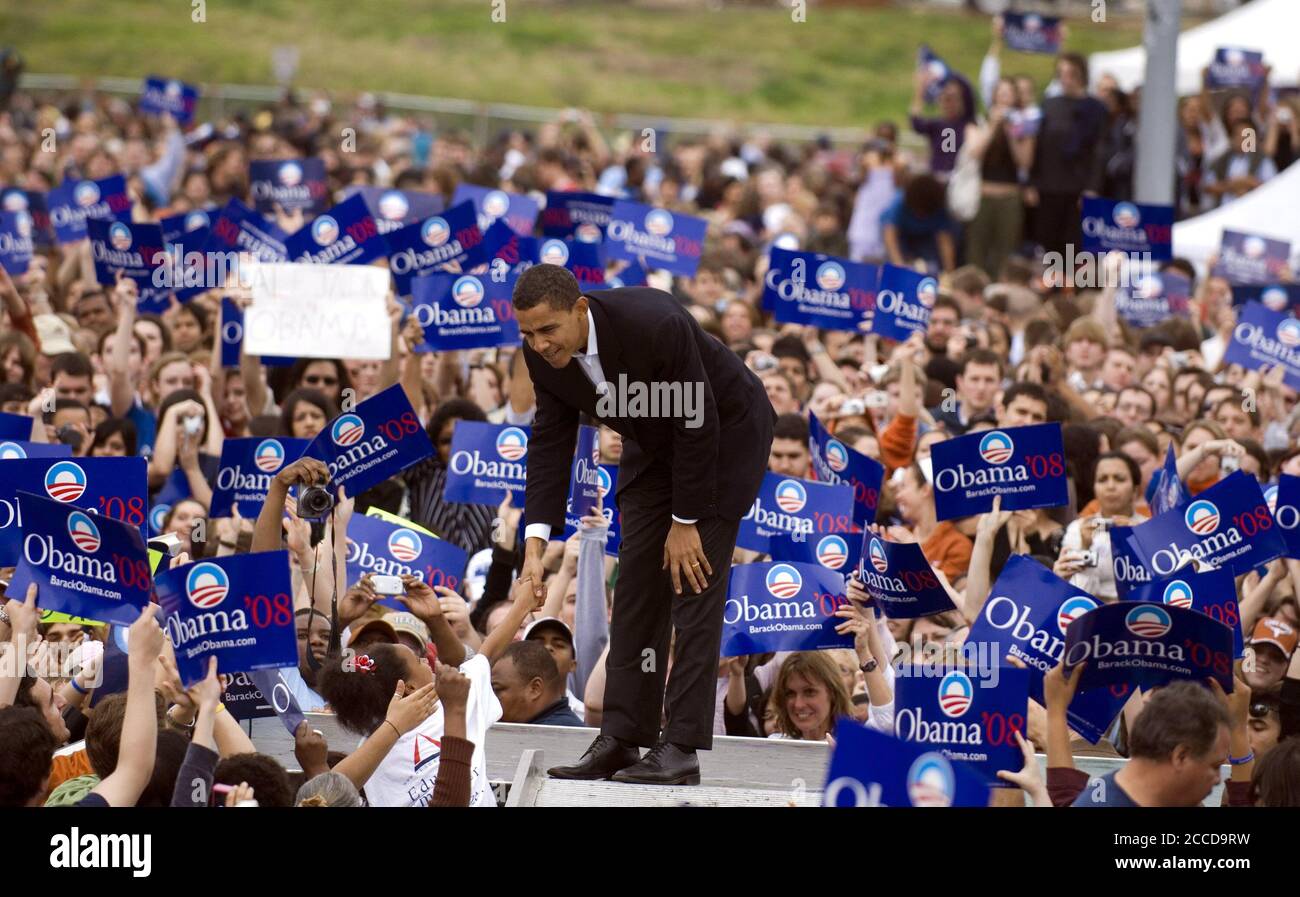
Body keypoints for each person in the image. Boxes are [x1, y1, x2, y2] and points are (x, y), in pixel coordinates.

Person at [514, 264, 774, 786]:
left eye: (548, 330)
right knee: (635, 587)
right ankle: (622, 736)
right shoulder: (541, 356)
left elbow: (698, 422)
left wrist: (687, 521)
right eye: (527, 333)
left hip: (724, 437)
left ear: (580, 310)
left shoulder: (654, 322)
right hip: (654, 447)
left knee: (692, 584)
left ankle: (680, 748)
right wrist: (535, 542)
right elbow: (549, 443)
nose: (539, 344)